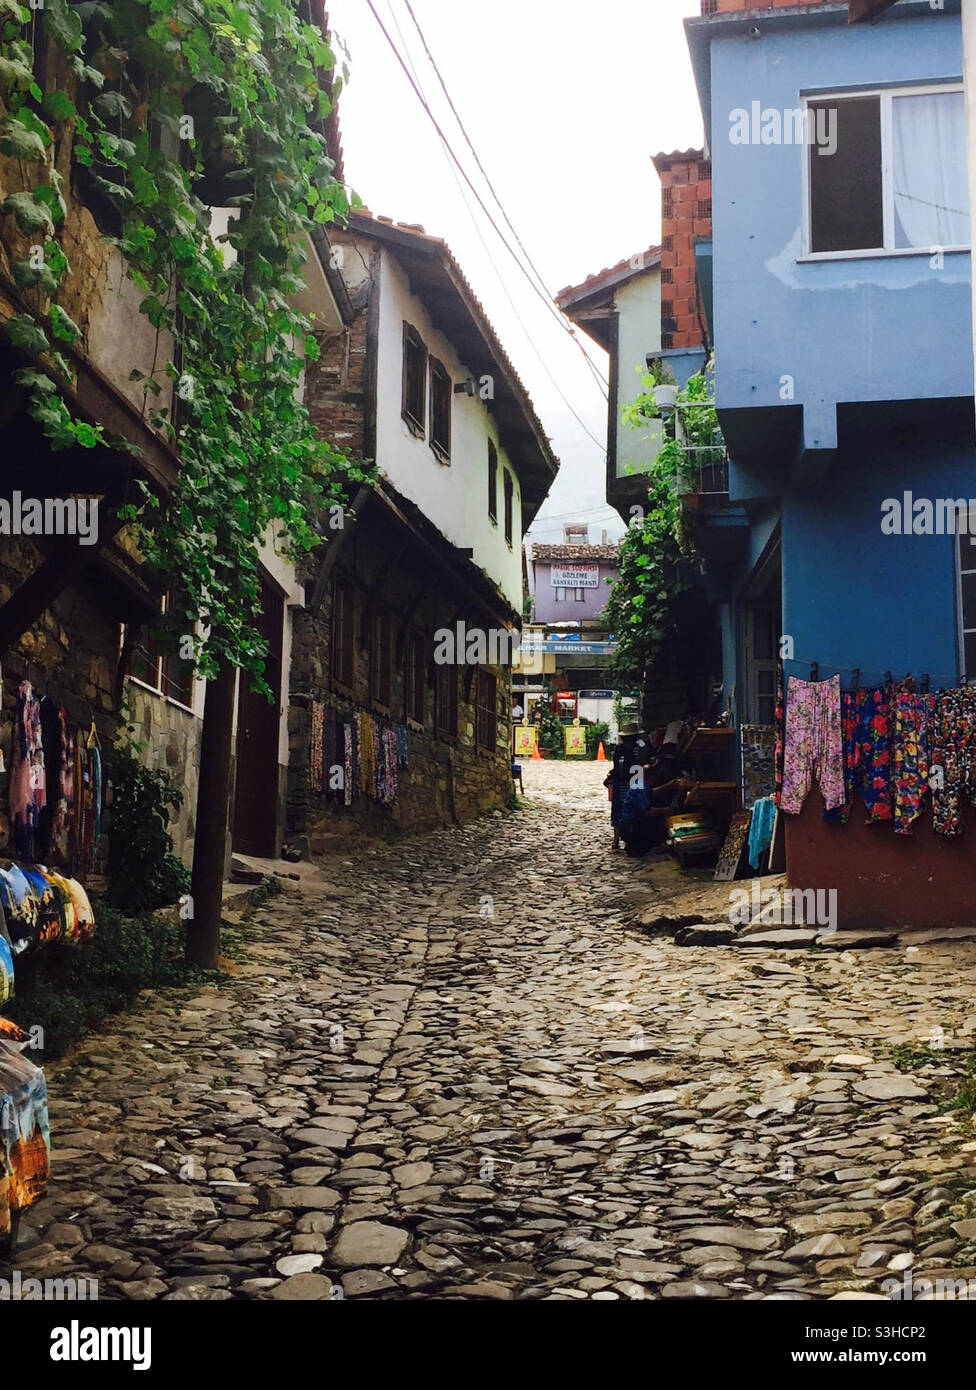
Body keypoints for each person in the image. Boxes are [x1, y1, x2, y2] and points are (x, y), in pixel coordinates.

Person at [604, 722, 650, 850]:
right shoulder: (640, 747)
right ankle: (633, 837)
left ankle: (616, 839)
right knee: (634, 808)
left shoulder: (618, 749)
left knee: (618, 810)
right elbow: (640, 765)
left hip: (620, 781)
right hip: (635, 779)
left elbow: (615, 767)